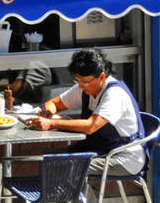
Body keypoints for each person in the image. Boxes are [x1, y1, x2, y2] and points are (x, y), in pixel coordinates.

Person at [26, 48, 145, 178]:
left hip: (123, 158)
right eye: (78, 80)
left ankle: (79, 193)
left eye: (85, 82)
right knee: (48, 158)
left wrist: (51, 123)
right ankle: (73, 192)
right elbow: (55, 103)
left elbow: (91, 126)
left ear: (102, 77)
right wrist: (47, 112)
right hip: (97, 148)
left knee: (64, 166)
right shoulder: (84, 87)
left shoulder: (115, 94)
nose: (81, 86)